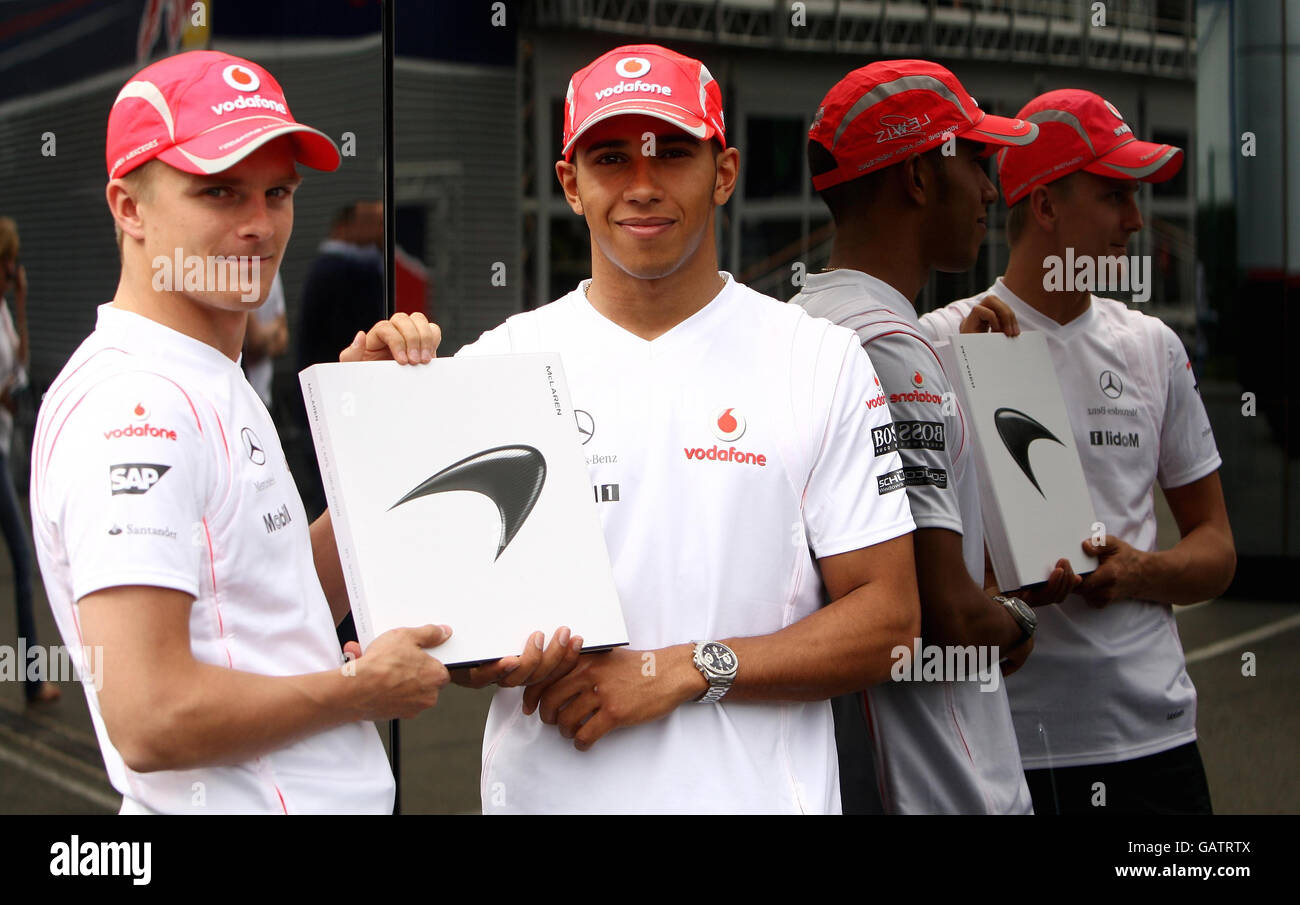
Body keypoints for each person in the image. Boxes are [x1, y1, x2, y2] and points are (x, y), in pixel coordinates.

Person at [452, 44, 921, 814]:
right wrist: (490, 658)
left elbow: (890, 621)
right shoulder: (499, 362)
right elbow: (455, 644)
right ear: (570, 183)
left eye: (672, 153)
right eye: (611, 157)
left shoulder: (816, 358)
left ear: (724, 173)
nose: (642, 186)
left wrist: (685, 668)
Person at [30, 50, 448, 814]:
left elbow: (277, 597)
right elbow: (151, 716)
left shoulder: (206, 372)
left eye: (277, 191)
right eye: (219, 191)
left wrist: (375, 433)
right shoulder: (139, 407)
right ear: (129, 207)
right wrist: (357, 687)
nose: (259, 225)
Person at [917, 88, 1236, 814]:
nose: (1135, 220)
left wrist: (1139, 570)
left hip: (1155, 739)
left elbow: (1217, 548)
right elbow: (911, 565)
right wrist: (1004, 580)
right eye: (1114, 195)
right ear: (1045, 206)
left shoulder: (1152, 346)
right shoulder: (941, 343)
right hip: (1016, 744)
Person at [793, 60, 1080, 814]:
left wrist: (948, 361)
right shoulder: (891, 346)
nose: (992, 190)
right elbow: (947, 611)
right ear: (919, 178)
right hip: (943, 784)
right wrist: (1019, 619)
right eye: (977, 161)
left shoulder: (802, 323)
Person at [0, 218, 58, 706]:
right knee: (23, 559)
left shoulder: (3, 307)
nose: (11, 270)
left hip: (3, 447)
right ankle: (33, 677)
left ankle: (32, 677)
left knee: (23, 561)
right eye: (5, 263)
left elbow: (19, 362)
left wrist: (19, 302)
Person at [242, 270, 288, 409]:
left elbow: (282, 342)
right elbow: (255, 342)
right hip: (246, 397)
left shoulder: (272, 271)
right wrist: (274, 328)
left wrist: (261, 340)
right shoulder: (235, 271)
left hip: (264, 397)